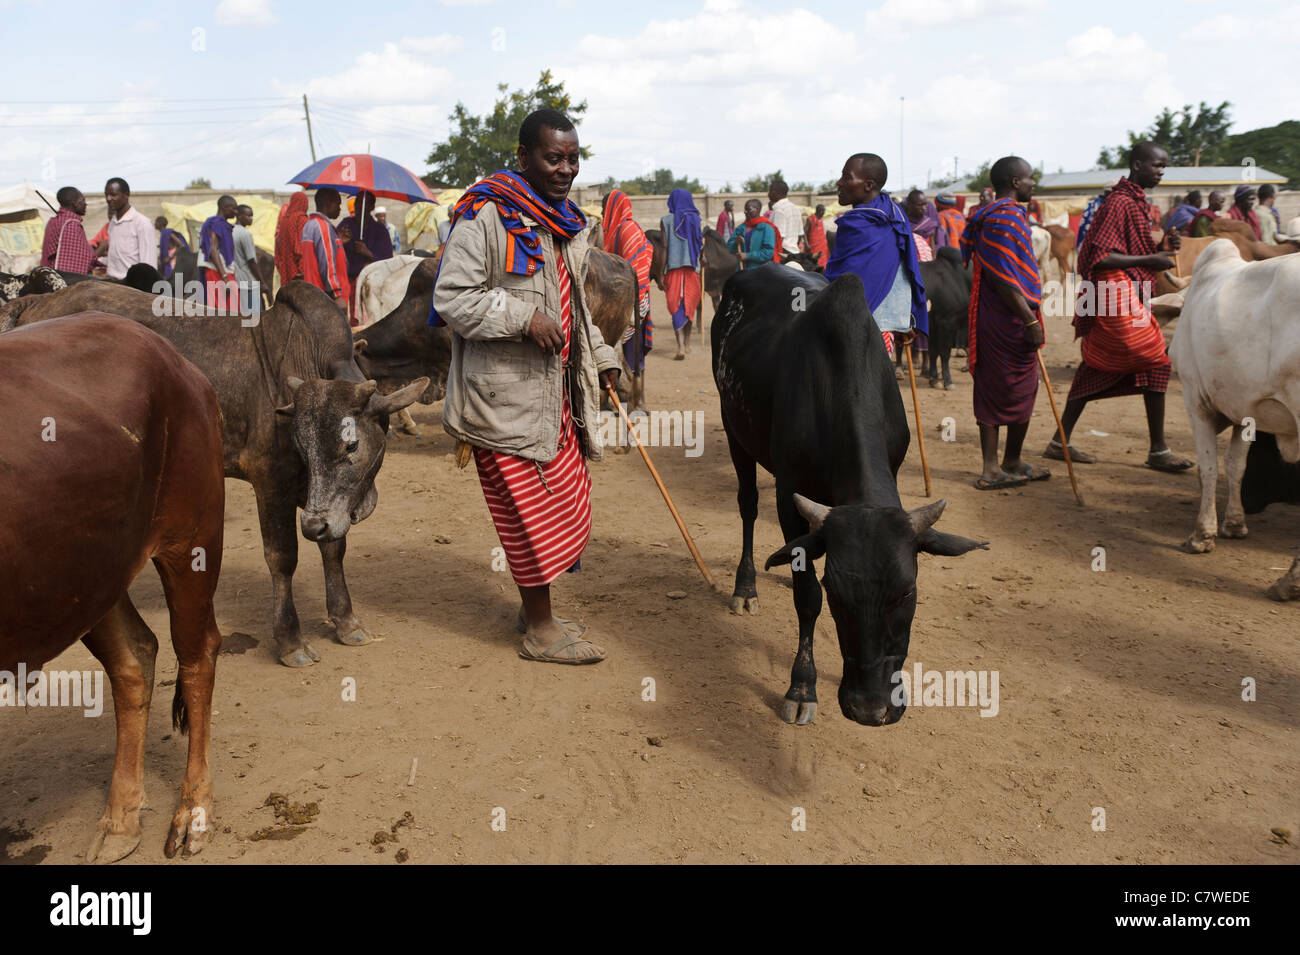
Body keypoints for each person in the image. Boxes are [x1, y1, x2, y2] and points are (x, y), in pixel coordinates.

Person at [430, 108, 620, 665]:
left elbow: (577, 306)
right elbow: (453, 299)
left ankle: (535, 611)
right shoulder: (485, 218)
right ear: (523, 158)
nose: (565, 169)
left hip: (555, 397)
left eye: (572, 158)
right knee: (529, 516)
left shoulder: (565, 224)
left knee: (567, 506)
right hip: (502, 400)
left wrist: (603, 357)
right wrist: (522, 317)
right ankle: (540, 629)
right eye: (553, 158)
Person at [1045, 141, 1191, 472]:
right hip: (1111, 294)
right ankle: (1156, 450)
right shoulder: (1118, 203)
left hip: (1126, 293)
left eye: (1164, 167)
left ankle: (1061, 442)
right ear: (1138, 165)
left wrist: (1164, 247)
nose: (1161, 172)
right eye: (1157, 166)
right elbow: (1097, 257)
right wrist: (1150, 258)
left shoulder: (1136, 202)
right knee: (1154, 356)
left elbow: (1129, 248)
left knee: (1102, 366)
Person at [960, 156, 1049, 490]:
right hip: (1004, 318)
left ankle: (1012, 460)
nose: (1033, 184)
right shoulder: (1004, 218)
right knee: (995, 388)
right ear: (1014, 182)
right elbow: (1003, 279)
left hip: (1010, 315)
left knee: (1023, 387)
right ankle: (991, 469)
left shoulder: (1000, 216)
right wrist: (1029, 321)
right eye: (1029, 178)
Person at [823, 152, 927, 358]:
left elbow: (840, 282)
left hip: (856, 327)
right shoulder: (893, 212)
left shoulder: (859, 224)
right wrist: (904, 312)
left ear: (868, 185)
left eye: (847, 177)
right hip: (888, 321)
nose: (839, 182)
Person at [601, 188, 656, 375]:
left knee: (631, 351)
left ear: (613, 208)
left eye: (604, 209)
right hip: (622, 298)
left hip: (632, 299)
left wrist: (629, 302)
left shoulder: (627, 229)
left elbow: (632, 270)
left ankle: (636, 396)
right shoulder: (615, 230)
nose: (602, 214)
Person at [337, 189, 394, 323]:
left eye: (364, 204)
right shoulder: (346, 225)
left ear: (372, 207)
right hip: (348, 283)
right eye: (357, 203)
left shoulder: (380, 230)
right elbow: (333, 251)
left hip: (373, 286)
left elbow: (388, 260)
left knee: (370, 321)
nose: (359, 207)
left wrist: (368, 253)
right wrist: (341, 242)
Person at [661, 187, 703, 359]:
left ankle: (680, 346)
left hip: (673, 270)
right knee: (689, 306)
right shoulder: (696, 220)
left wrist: (661, 271)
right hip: (693, 270)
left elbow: (664, 247)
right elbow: (700, 245)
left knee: (676, 307)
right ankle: (686, 344)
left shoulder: (666, 220)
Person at [299, 187, 350, 308]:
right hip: (327, 298)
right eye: (337, 204)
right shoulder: (323, 227)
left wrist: (338, 242)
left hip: (314, 294)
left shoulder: (310, 224)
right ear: (327, 203)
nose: (339, 208)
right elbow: (326, 263)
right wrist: (336, 295)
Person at [103, 177, 156, 280]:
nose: (108, 199)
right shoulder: (113, 223)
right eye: (106, 195)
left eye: (113, 195)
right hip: (111, 283)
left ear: (126, 194)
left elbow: (149, 267)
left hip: (131, 288)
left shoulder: (142, 223)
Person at [40, 186, 97, 273]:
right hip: (64, 279)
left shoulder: (54, 221)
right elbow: (83, 259)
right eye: (83, 200)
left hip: (49, 274)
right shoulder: (71, 224)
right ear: (75, 203)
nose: (86, 204)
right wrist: (101, 249)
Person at [197, 195, 238, 311]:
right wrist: (225, 277)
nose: (235, 212)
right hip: (217, 273)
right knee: (221, 311)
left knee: (230, 310)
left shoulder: (221, 224)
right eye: (233, 209)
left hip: (222, 271)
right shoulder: (216, 224)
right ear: (224, 207)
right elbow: (212, 250)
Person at [727, 198, 776, 268]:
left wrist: (747, 256)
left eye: (749, 209)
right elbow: (728, 248)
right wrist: (735, 242)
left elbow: (768, 253)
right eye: (745, 209)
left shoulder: (767, 229)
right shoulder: (740, 228)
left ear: (758, 209)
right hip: (740, 271)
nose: (745, 212)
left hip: (760, 272)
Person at [275, 191, 309, 285]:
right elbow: (300, 249)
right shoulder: (302, 220)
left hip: (286, 269)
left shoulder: (284, 221)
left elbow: (278, 246)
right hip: (298, 272)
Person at [232, 204, 260, 315]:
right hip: (249, 281)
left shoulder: (229, 231)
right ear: (239, 216)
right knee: (253, 316)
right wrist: (262, 282)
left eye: (252, 216)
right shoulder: (245, 234)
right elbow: (251, 261)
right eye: (248, 215)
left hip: (236, 280)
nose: (251, 219)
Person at [767, 179, 802, 260]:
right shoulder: (795, 208)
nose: (768, 194)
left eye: (770, 190)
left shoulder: (779, 210)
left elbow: (779, 237)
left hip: (783, 254)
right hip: (795, 253)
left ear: (776, 192)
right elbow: (800, 235)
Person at [803, 203, 829, 269]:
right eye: (822, 211)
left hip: (822, 246)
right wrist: (807, 244)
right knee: (813, 263)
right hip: (813, 246)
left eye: (824, 211)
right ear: (818, 210)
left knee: (823, 264)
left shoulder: (820, 220)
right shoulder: (810, 219)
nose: (823, 213)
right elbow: (804, 232)